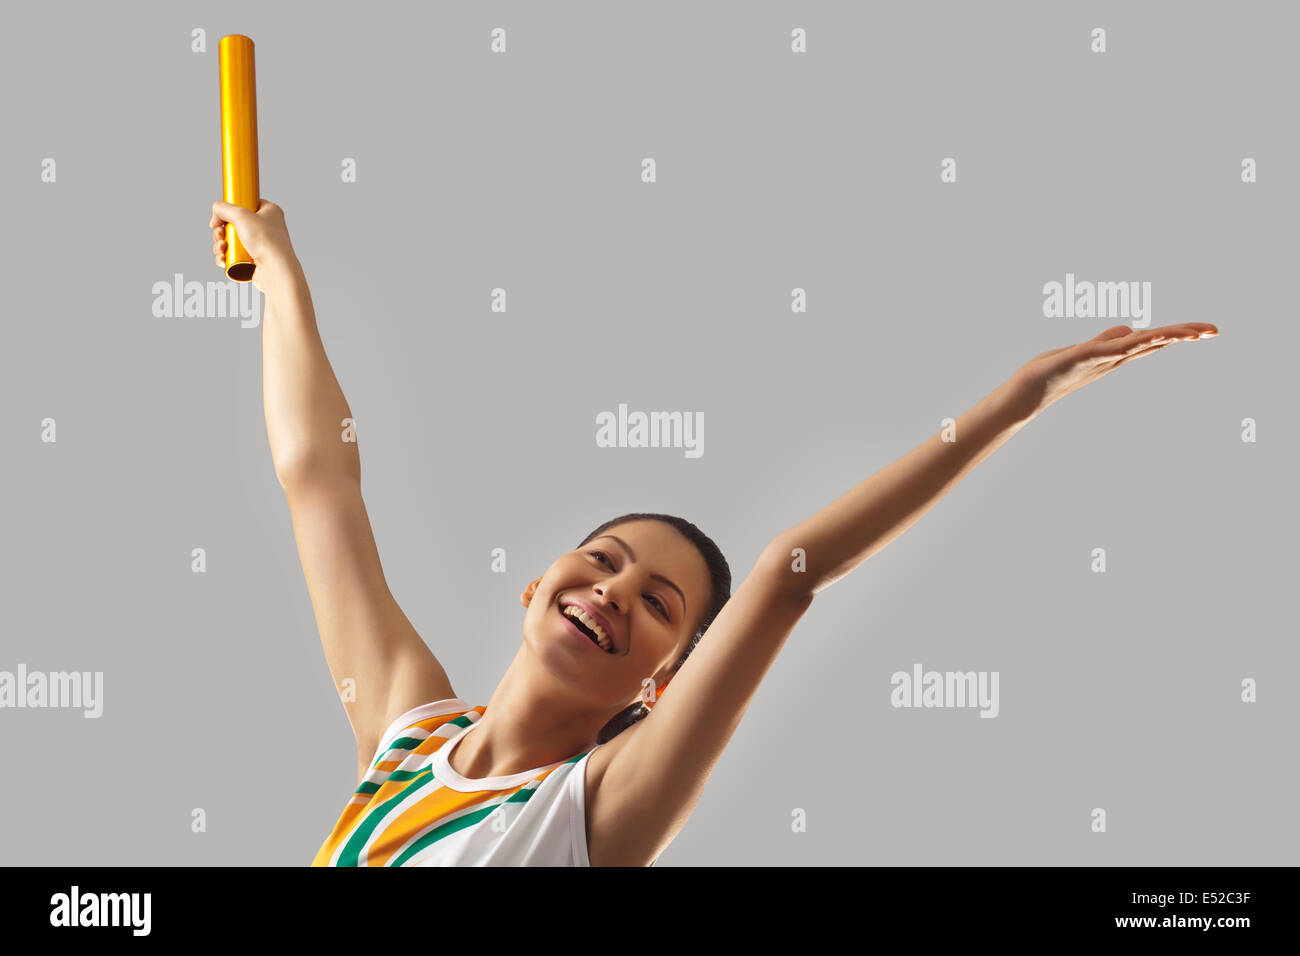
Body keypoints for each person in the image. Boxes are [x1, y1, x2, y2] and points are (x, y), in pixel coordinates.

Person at [209, 199, 1218, 866]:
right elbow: (320, 481)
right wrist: (281, 278)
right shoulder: (406, 737)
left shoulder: (592, 812)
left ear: (660, 684)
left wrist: (1014, 400)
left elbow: (788, 573)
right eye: (602, 560)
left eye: (656, 603)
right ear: (533, 588)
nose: (610, 590)